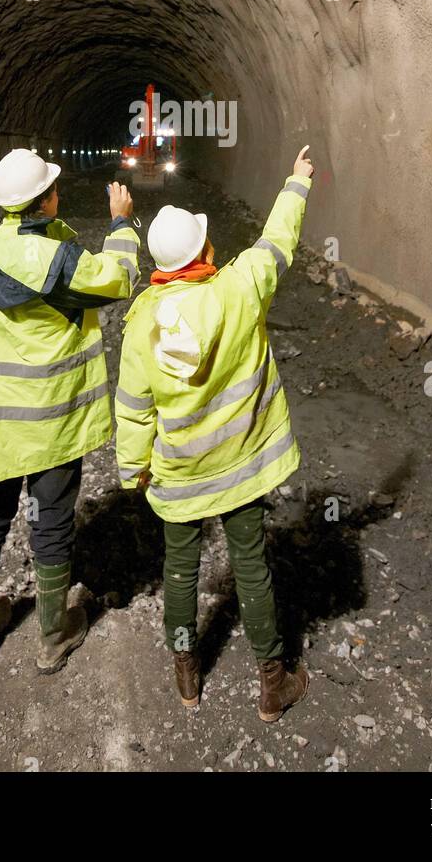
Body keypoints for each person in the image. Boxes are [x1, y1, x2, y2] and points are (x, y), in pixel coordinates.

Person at [115, 145, 313, 722]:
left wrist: (134, 471)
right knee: (251, 566)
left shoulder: (142, 323)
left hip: (179, 478)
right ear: (204, 250)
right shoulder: (239, 287)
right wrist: (296, 182)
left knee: (180, 571)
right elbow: (277, 243)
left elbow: (133, 409)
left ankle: (187, 677)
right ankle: (273, 685)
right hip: (244, 465)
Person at [0, 149, 139, 673]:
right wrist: (122, 222)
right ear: (48, 199)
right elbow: (118, 278)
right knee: (50, 523)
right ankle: (51, 636)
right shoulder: (61, 261)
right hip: (53, 426)